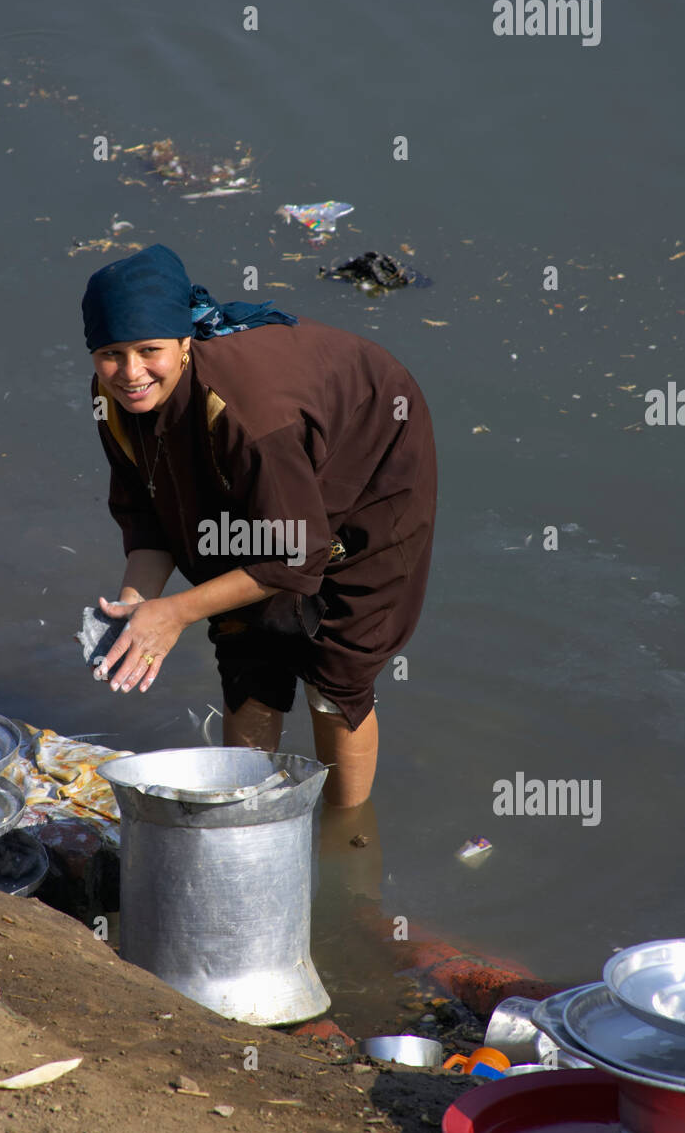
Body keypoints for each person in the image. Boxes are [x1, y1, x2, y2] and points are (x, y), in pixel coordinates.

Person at [82, 243, 436, 809]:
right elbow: (149, 513)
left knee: (333, 676)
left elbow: (296, 558)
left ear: (185, 342)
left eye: (150, 350)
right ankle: (245, 816)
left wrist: (174, 612)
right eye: (110, 354)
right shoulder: (115, 398)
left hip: (369, 455)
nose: (131, 373)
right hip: (264, 467)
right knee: (246, 647)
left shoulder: (249, 416)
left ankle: (346, 833)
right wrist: (135, 608)